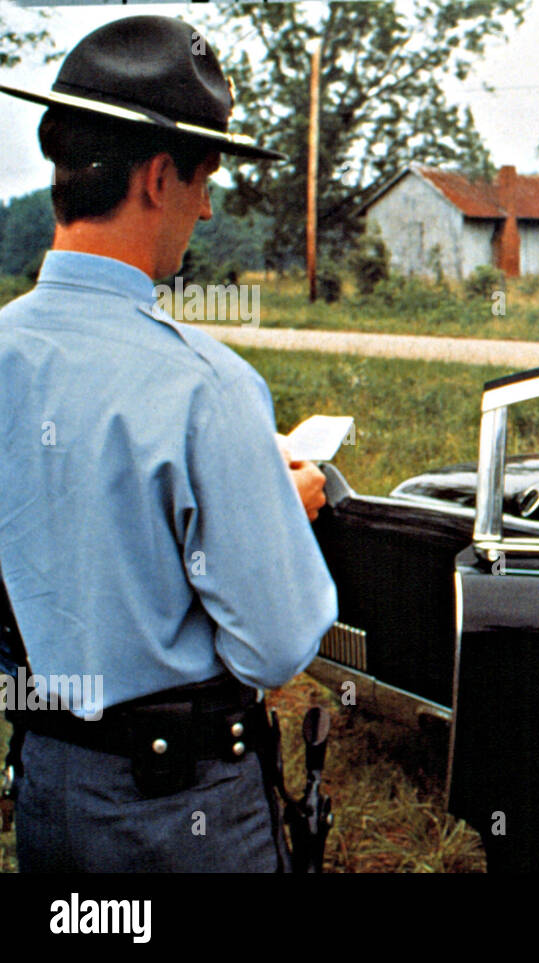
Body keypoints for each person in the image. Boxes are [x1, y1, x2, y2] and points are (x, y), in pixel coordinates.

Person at [0, 16, 338, 872]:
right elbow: (275, 640)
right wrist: (278, 504)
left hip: (47, 786)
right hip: (182, 810)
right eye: (204, 178)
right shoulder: (206, 385)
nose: (208, 204)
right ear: (158, 178)